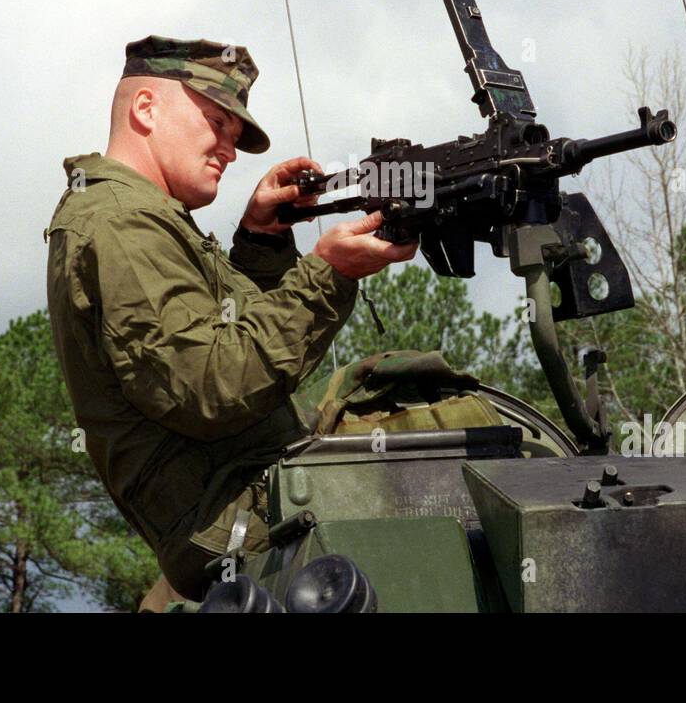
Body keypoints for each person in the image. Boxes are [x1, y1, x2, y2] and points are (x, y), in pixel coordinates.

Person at [44, 35, 417, 606]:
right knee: (464, 439)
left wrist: (261, 242)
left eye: (235, 135)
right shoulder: (119, 221)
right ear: (146, 109)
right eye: (217, 122)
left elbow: (222, 334)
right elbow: (215, 383)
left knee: (423, 398)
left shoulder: (139, 214)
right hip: (238, 513)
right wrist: (328, 275)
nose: (230, 149)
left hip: (244, 495)